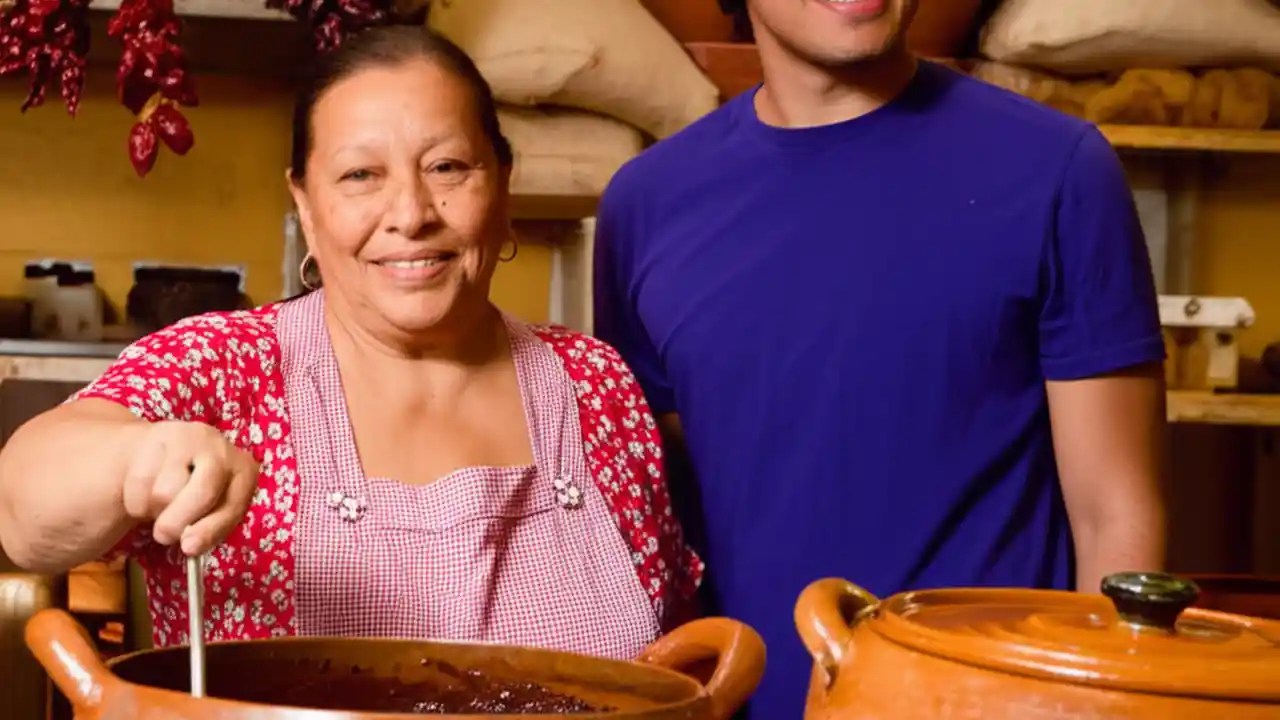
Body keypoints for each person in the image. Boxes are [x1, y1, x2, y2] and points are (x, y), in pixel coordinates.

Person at [0, 26, 701, 657]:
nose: (411, 214)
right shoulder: (224, 369)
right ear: (305, 202)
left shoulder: (594, 385)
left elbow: (667, 656)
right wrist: (132, 455)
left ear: (504, 182)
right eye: (361, 176)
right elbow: (21, 510)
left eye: (449, 167)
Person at [593, 0, 1168, 715]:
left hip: (990, 703)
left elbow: (1114, 515)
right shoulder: (645, 205)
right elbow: (657, 528)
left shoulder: (1058, 169)